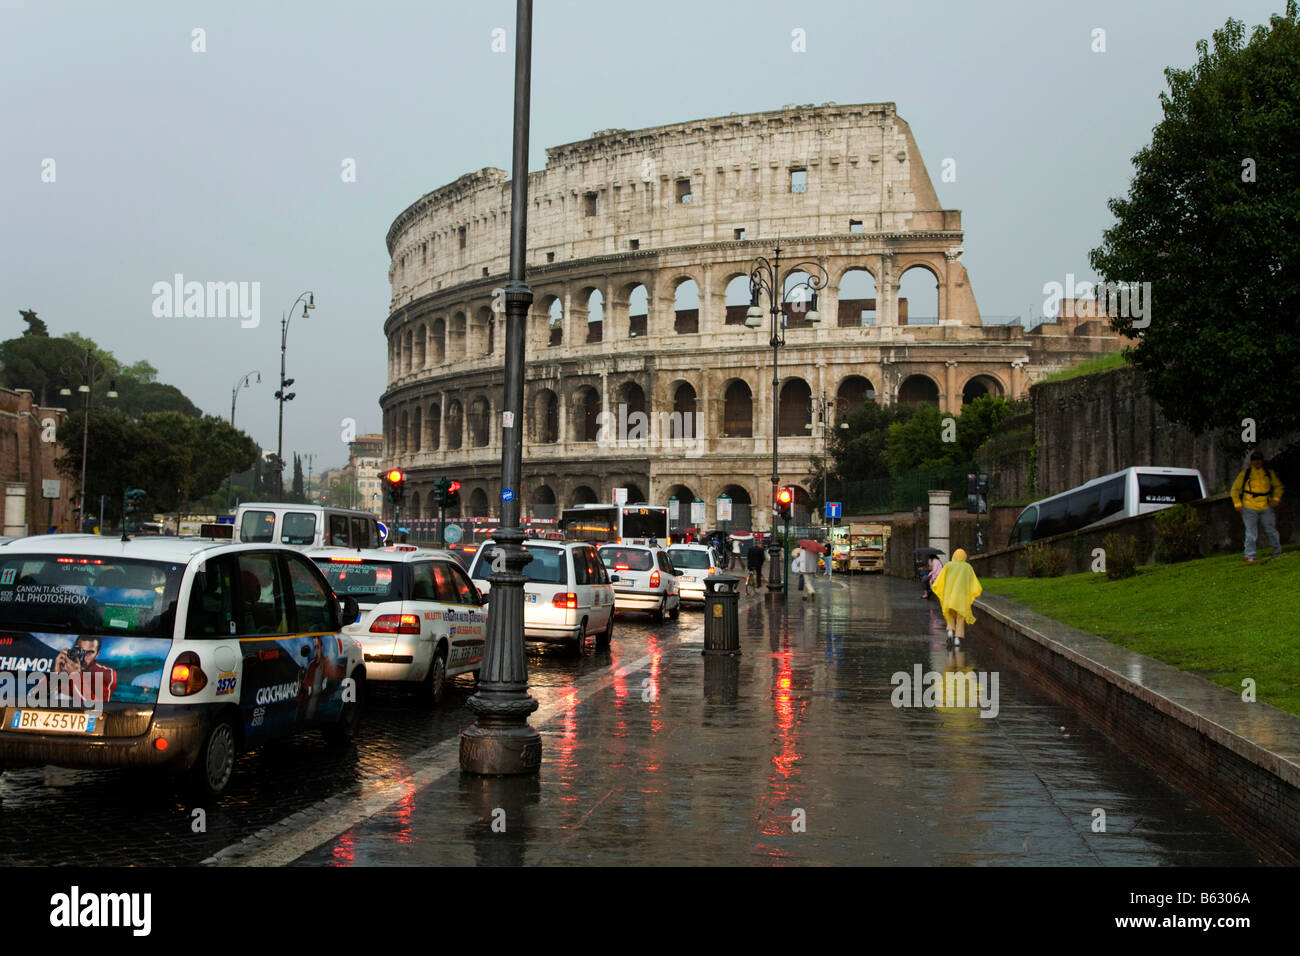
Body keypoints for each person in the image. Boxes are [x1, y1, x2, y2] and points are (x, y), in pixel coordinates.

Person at [1231, 450, 1284, 563]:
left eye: (1259, 460)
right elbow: (1235, 490)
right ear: (1252, 462)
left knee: (1271, 530)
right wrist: (1238, 504)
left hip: (1266, 505)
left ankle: (1277, 552)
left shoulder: (1268, 473)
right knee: (1251, 532)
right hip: (1249, 506)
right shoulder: (1245, 474)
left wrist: (1276, 499)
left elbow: (1278, 487)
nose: (1257, 462)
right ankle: (1250, 556)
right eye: (1255, 460)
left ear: (1262, 461)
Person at [930, 548, 982, 646]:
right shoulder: (968, 567)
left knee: (950, 615)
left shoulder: (948, 565)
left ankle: (950, 632)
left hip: (950, 595)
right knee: (960, 617)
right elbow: (972, 582)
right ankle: (957, 638)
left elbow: (941, 579)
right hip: (962, 597)